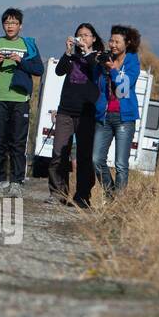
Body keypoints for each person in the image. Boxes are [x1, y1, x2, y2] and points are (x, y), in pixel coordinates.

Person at [0, 7, 44, 197]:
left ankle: (16, 183)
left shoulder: (28, 45)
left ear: (20, 26)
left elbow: (39, 69)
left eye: (14, 23)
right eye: (7, 23)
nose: (10, 26)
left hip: (20, 98)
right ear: (3, 25)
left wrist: (20, 61)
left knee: (18, 142)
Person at [48, 23, 104, 207]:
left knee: (84, 156)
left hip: (87, 112)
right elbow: (59, 71)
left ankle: (82, 196)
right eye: (79, 35)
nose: (83, 38)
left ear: (93, 38)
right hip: (65, 110)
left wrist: (87, 52)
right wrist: (68, 51)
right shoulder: (72, 56)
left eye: (86, 35)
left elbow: (96, 69)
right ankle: (58, 193)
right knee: (58, 152)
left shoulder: (97, 57)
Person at [93, 25, 143, 200]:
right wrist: (99, 64)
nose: (112, 44)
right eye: (111, 40)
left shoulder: (132, 61)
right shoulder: (105, 59)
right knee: (96, 160)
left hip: (124, 118)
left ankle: (119, 201)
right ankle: (111, 194)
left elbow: (123, 88)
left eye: (117, 41)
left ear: (127, 43)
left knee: (121, 164)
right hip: (104, 116)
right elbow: (96, 83)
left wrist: (112, 69)